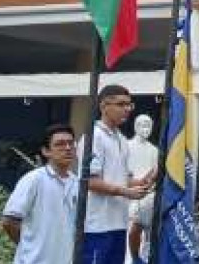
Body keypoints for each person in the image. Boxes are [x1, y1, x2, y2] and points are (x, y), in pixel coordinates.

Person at [81, 84, 152, 264]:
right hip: (95, 226)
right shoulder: (94, 136)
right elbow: (90, 181)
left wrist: (146, 179)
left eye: (129, 105)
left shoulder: (121, 139)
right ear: (104, 106)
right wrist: (125, 192)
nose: (127, 109)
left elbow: (125, 180)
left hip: (119, 224)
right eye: (121, 104)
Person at [0, 124, 78, 264]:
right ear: (46, 151)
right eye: (60, 144)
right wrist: (28, 246)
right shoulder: (34, 179)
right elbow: (9, 221)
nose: (67, 148)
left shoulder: (77, 183)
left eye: (71, 143)